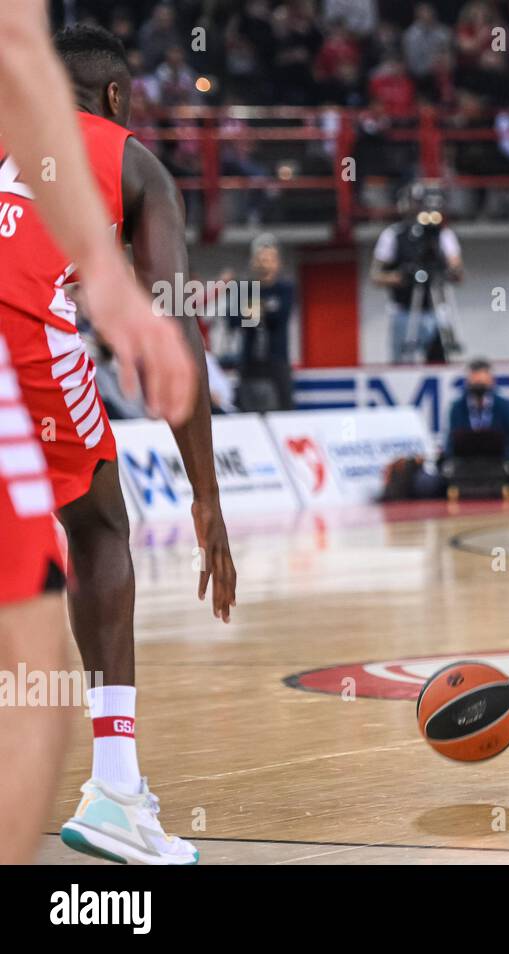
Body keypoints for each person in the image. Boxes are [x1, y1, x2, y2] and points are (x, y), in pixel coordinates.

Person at [1, 25, 236, 864]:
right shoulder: (131, 159)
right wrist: (205, 498)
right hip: (21, 337)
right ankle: (116, 791)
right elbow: (171, 324)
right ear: (111, 99)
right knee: (96, 526)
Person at [371, 181, 465, 363]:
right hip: (404, 310)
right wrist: (402, 276)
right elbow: (376, 276)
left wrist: (447, 272)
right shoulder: (393, 235)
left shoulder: (443, 235)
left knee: (441, 359)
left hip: (436, 308)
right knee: (403, 362)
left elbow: (458, 272)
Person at [446, 359, 509, 488]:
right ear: (468, 382)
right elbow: (451, 439)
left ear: (491, 381)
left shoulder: (503, 405)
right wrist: (449, 463)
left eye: (482, 383)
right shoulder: (458, 407)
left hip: (500, 461)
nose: (479, 387)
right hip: (468, 463)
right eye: (476, 383)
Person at [237, 234, 295, 411]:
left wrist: (253, 311)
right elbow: (235, 320)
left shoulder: (285, 288)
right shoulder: (244, 288)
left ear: (278, 263)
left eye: (269, 259)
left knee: (283, 412)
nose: (265, 264)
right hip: (249, 363)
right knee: (247, 413)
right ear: (253, 262)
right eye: (261, 259)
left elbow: (280, 317)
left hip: (277, 361)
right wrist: (259, 313)